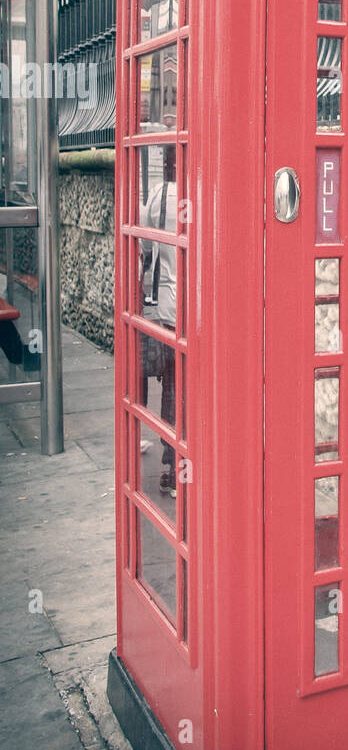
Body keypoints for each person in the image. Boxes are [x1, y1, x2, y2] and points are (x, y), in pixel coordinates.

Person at [140, 149, 177, 496]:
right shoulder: (200, 190)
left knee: (170, 388)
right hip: (194, 309)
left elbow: (145, 248)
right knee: (181, 388)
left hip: (164, 309)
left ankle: (172, 464)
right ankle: (179, 464)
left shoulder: (157, 195)